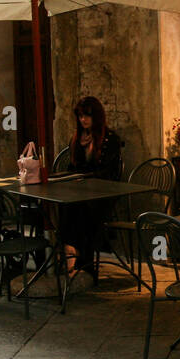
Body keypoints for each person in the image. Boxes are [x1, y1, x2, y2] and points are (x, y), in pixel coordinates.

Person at [60, 96, 124, 279]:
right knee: (67, 204)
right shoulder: (77, 138)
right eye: (80, 116)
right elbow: (72, 167)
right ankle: (73, 253)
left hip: (102, 194)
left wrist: (85, 178)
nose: (83, 120)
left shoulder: (110, 139)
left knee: (77, 207)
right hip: (81, 192)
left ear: (96, 116)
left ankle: (74, 257)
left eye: (87, 116)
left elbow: (109, 172)